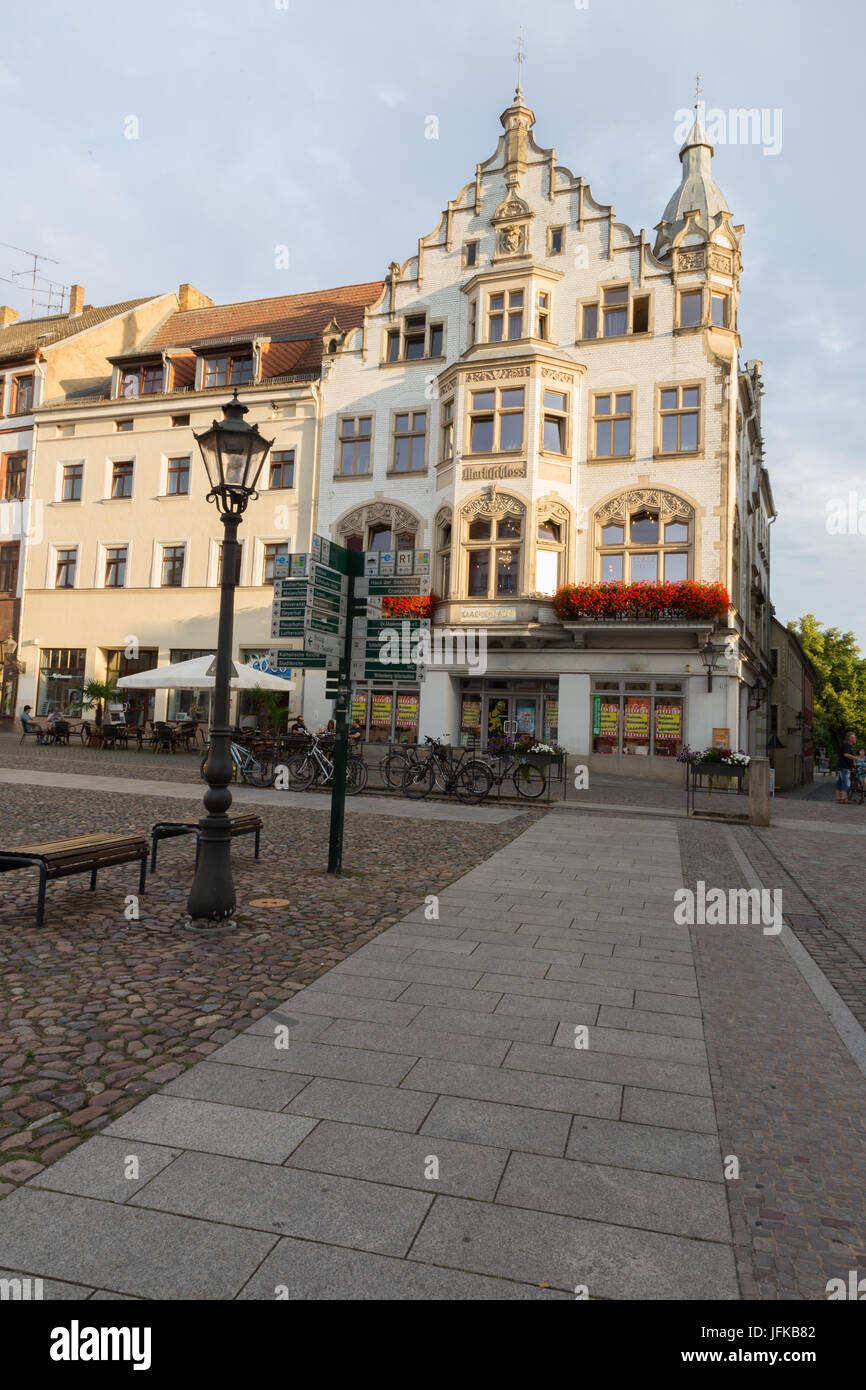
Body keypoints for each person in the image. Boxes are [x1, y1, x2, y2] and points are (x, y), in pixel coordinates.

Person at [835, 731, 856, 804]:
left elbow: (848, 757)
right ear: (850, 738)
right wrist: (857, 758)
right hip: (844, 767)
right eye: (854, 737)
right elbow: (846, 754)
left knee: (839, 782)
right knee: (845, 782)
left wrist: (854, 763)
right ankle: (844, 798)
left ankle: (838, 798)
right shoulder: (847, 745)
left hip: (840, 767)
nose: (855, 738)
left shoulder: (847, 745)